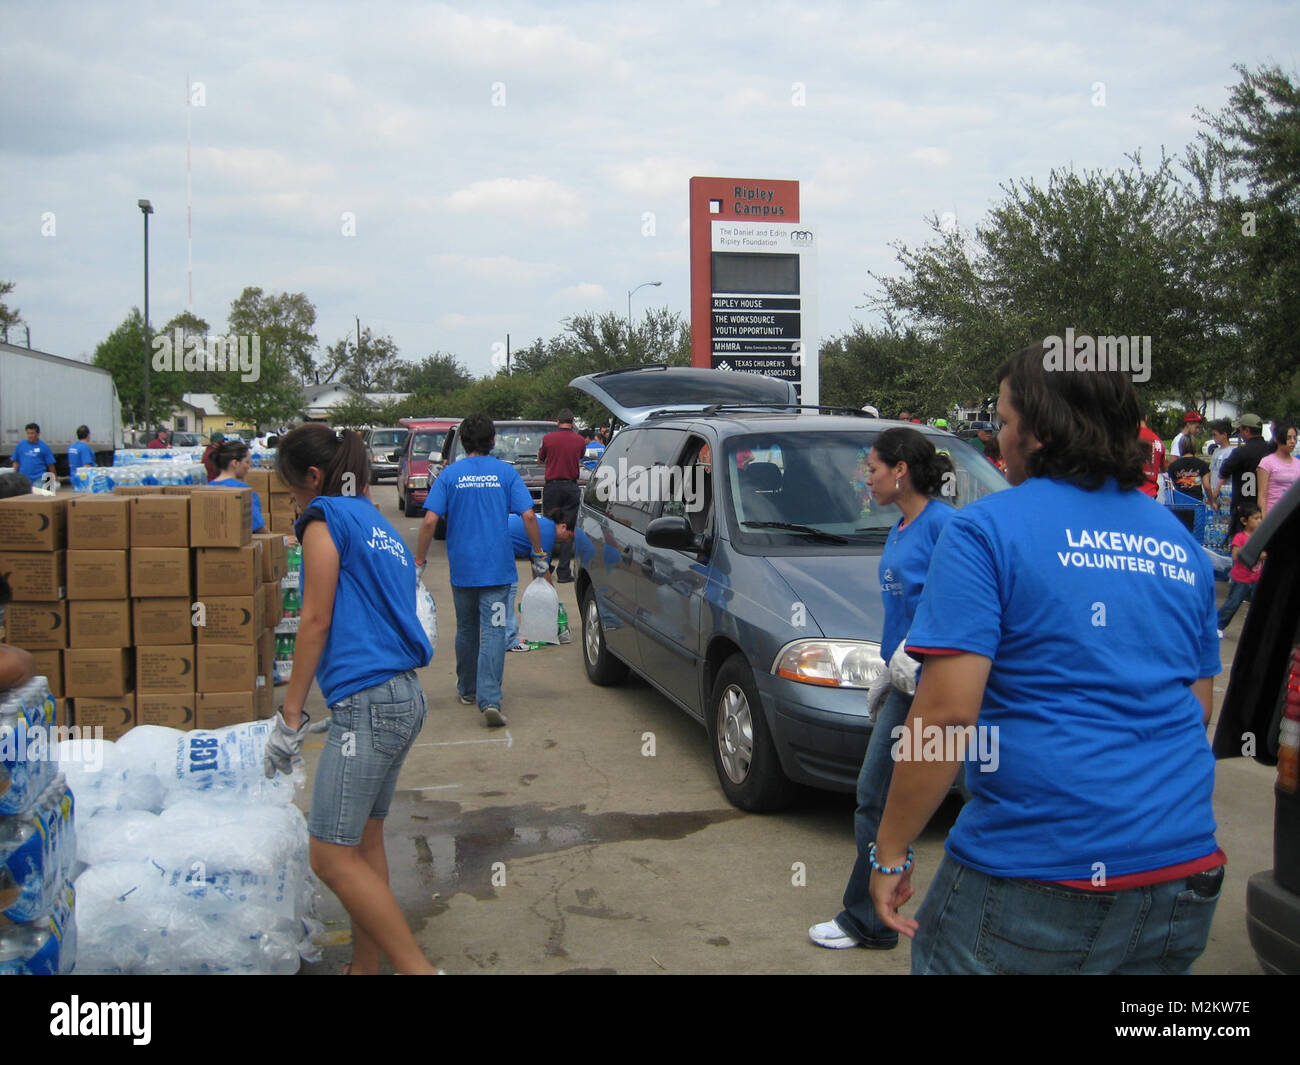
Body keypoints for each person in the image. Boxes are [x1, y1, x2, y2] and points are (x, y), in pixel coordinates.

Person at [868, 342, 1222, 974]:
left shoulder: (984, 530)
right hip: (1181, 866)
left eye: (1003, 423)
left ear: (1042, 431)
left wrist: (890, 850)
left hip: (1034, 872)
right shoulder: (1180, 543)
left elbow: (945, 718)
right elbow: (1195, 708)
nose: (998, 442)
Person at [265, 423, 438, 975]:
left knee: (329, 854)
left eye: (292, 489)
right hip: (402, 696)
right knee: (364, 842)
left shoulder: (323, 519)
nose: (293, 501)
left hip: (368, 703)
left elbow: (314, 619)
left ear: (313, 478)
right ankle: (366, 968)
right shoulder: (373, 519)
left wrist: (290, 712)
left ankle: (417, 971)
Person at [808, 427, 956, 951]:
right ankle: (875, 912)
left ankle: (869, 917)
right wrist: (886, 672)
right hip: (903, 682)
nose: (865, 479)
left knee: (880, 797)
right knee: (877, 797)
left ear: (900, 470)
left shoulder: (944, 526)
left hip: (934, 686)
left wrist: (916, 660)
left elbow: (956, 606)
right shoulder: (900, 527)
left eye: (871, 469)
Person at [415, 414, 544, 727]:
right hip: (498, 572)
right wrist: (538, 554)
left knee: (467, 630)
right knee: (494, 632)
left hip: (463, 571)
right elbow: (528, 516)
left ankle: (468, 689)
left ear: (461, 441)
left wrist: (418, 562)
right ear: (493, 440)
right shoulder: (505, 473)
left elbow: (430, 521)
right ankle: (490, 699)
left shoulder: (450, 475)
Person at [504, 509, 595, 652]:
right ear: (563, 527)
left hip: (493, 537)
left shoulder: (545, 525)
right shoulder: (549, 532)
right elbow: (542, 568)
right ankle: (507, 639)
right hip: (496, 544)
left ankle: (502, 636)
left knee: (502, 591)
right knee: (507, 590)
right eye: (569, 537)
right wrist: (554, 601)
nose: (567, 541)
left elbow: (537, 568)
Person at [537, 409, 585, 583]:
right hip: (571, 486)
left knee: (549, 526)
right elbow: (579, 456)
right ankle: (564, 571)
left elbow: (541, 459)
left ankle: (545, 566)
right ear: (572, 422)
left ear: (557, 421)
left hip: (552, 486)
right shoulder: (579, 440)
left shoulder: (548, 439)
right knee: (568, 528)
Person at [1220, 413, 1273, 534]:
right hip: (1267, 509)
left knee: (1240, 547)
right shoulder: (1271, 452)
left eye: (1240, 430)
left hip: (1243, 512)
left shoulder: (1241, 452)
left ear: (1247, 430)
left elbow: (1224, 471)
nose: (1239, 434)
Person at [1217, 504, 1265, 635]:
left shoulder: (1260, 537)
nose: (1259, 521)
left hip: (1255, 578)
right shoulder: (1240, 537)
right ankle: (1218, 625)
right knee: (1232, 604)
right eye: (1255, 518)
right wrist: (1258, 555)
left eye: (1260, 518)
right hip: (1241, 579)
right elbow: (1236, 555)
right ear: (1244, 521)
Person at [209, 439, 268, 533]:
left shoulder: (207, 489)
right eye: (247, 462)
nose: (249, 466)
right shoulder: (243, 491)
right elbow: (258, 527)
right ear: (235, 463)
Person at [1257, 421, 1298, 518]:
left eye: (1294, 438)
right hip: (1273, 516)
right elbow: (1262, 495)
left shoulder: (1298, 463)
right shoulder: (1267, 462)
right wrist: (1264, 518)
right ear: (1277, 439)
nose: (1292, 441)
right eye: (1288, 438)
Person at [12, 423, 54, 487]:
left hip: (38, 478)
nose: (30, 435)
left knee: (36, 496)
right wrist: (14, 475)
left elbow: (50, 465)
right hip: (23, 479)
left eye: (32, 433)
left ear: (38, 434)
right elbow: (16, 462)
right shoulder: (21, 445)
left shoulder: (44, 447)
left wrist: (54, 478)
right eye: (28, 433)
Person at [1208, 419, 1235, 506]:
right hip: (1213, 490)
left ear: (1224, 435)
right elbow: (1211, 471)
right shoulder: (1216, 451)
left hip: (1224, 492)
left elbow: (1225, 476)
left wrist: (1215, 493)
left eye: (1215, 435)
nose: (1213, 437)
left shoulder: (1231, 452)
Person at [1138, 415, 1165, 499]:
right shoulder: (1157, 440)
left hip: (1130, 494)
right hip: (1150, 494)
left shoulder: (1127, 438)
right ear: (1146, 418)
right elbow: (1163, 468)